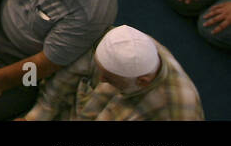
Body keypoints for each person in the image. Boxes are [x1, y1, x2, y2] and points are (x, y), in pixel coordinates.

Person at [23, 25, 205, 119]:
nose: (100, 80)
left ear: (142, 81)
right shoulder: (115, 43)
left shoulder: (179, 112)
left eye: (109, 79)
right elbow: (65, 80)